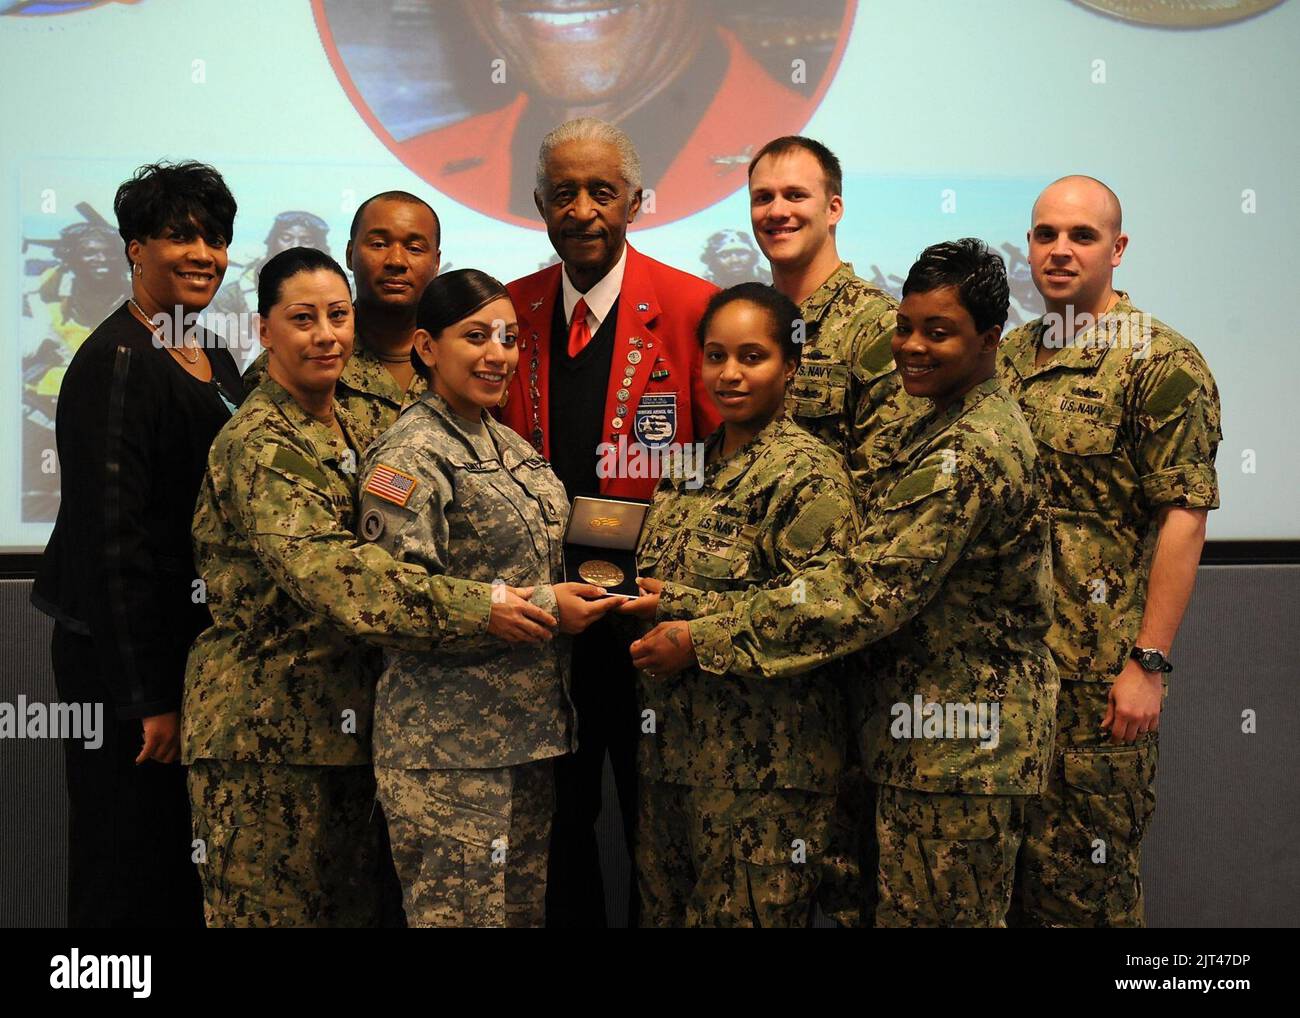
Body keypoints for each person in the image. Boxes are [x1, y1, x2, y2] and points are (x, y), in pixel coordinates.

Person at [635, 240, 1059, 927]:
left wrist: (701, 634)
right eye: (905, 327)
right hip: (905, 740)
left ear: (989, 341)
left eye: (938, 332)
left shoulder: (967, 450)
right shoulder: (930, 425)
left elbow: (864, 594)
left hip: (959, 748)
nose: (912, 347)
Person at [183, 248, 514, 927]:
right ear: (264, 330)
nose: (326, 334)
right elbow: (337, 578)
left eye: (338, 315)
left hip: (354, 734)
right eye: (302, 319)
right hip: (266, 740)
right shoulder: (260, 443)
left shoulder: (362, 426)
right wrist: (488, 607)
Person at [500, 117, 720, 927]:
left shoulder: (693, 308)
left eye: (602, 191)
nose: (584, 209)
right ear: (539, 205)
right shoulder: (510, 312)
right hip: (541, 623)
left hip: (649, 624)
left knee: (655, 832)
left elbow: (720, 472)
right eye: (565, 193)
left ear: (635, 200)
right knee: (555, 831)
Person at [357, 269, 619, 927]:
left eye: (506, 337)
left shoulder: (505, 443)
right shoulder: (410, 451)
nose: (496, 353)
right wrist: (530, 602)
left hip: (526, 742)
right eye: (475, 336)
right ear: (425, 347)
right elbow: (385, 595)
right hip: (448, 755)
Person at [999, 177, 1222, 927]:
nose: (1060, 251)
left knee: (1083, 896)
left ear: (1117, 249)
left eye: (1082, 237)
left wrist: (1149, 662)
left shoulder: (1161, 363)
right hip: (1006, 680)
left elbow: (1183, 520)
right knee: (1005, 892)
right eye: (1045, 235)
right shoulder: (1007, 359)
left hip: (1096, 687)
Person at [30, 160, 243, 927]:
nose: (203, 254)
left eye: (216, 239)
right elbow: (111, 542)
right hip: (123, 655)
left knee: (177, 854)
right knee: (123, 855)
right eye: (179, 236)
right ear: (135, 248)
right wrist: (144, 698)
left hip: (187, 639)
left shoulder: (211, 349)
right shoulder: (120, 359)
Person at [617, 283, 855, 927]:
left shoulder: (808, 475)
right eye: (716, 355)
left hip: (765, 779)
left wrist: (695, 632)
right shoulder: (688, 464)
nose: (730, 374)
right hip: (671, 761)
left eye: (752, 357)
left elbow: (822, 615)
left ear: (792, 367)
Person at [748, 134, 920, 926]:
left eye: (795, 196)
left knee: (850, 875)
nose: (777, 211)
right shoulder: (760, 324)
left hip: (846, 643)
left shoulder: (877, 330)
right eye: (762, 198)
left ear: (835, 208)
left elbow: (892, 497)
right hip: (765, 639)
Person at [244, 191, 439, 450]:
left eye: (414, 248)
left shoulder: (458, 362)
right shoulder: (293, 366)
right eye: (379, 244)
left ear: (436, 262)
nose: (396, 261)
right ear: (349, 254)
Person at [211, 210, 331, 371]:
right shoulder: (232, 295)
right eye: (287, 238)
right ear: (273, 241)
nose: (295, 245)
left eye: (306, 240)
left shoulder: (342, 291)